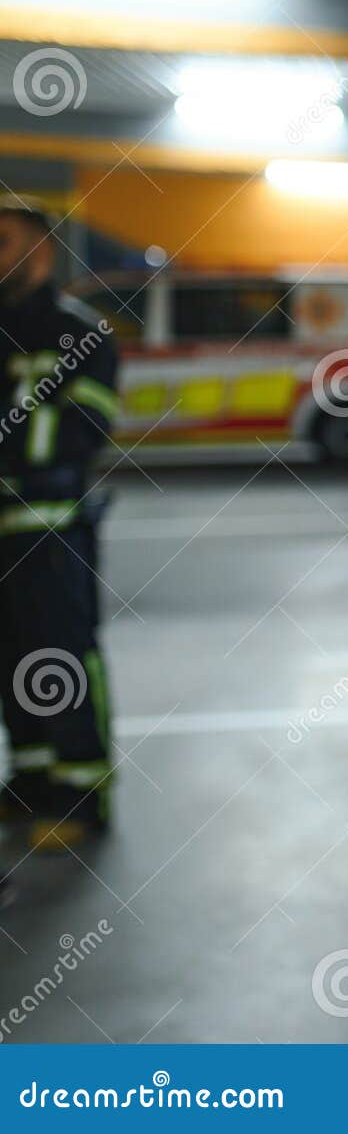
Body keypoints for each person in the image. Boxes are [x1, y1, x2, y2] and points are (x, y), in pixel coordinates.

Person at [0, 195, 120, 849]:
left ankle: (83, 791)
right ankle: (31, 781)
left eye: (3, 241)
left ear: (40, 248)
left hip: (51, 529)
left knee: (62, 655)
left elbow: (86, 427)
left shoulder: (83, 332)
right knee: (10, 657)